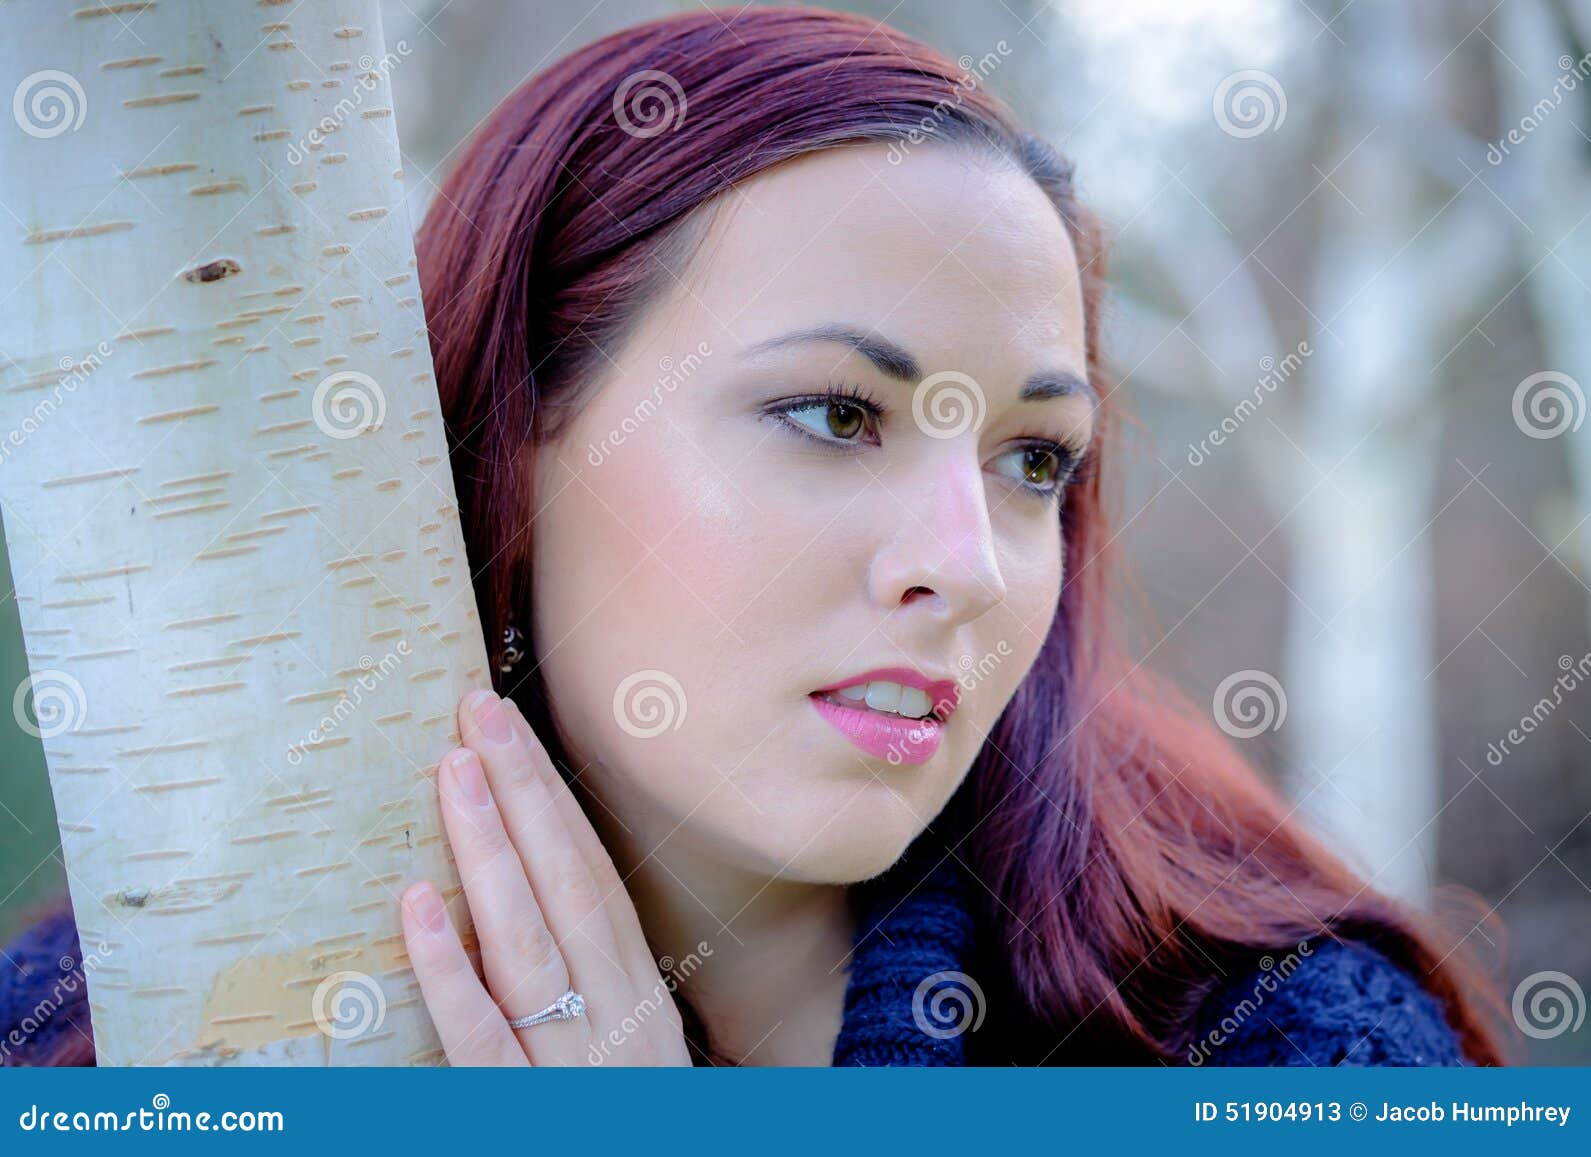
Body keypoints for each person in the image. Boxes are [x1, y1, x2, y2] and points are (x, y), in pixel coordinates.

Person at [2, 5, 1508, 1067]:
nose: (966, 566)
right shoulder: (99, 1027)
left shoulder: (1277, 1046)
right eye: (837, 415)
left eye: (1035, 459)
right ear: (510, 431)